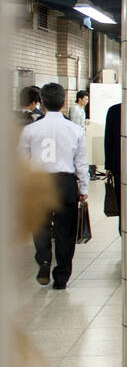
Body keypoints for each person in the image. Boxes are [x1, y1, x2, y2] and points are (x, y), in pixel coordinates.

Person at [18, 83, 88, 289]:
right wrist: (83, 190)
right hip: (65, 183)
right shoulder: (75, 130)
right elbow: (81, 164)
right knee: (65, 231)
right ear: (64, 102)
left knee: (39, 226)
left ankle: (44, 260)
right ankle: (61, 276)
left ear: (42, 103)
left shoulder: (30, 130)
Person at [104, 101, 121, 235]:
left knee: (121, 203)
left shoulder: (114, 110)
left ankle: (123, 232)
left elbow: (108, 139)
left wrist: (108, 165)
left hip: (118, 165)